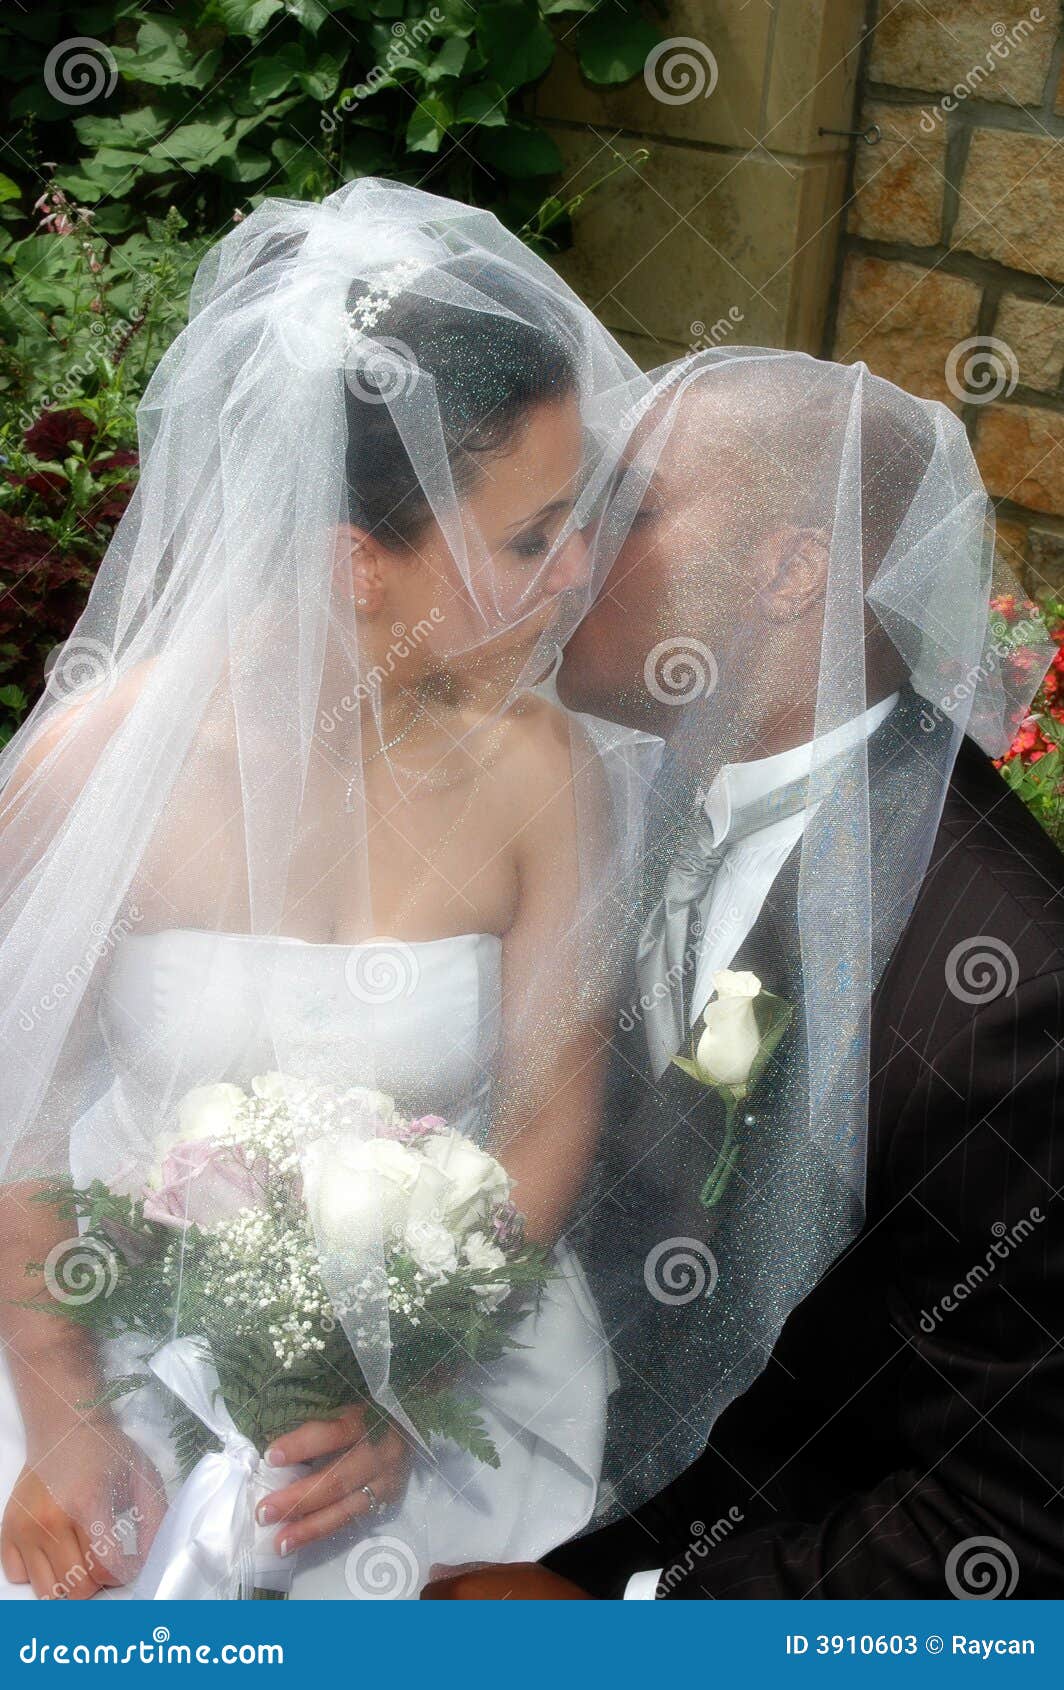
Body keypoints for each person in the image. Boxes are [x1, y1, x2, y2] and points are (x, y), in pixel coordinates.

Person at [0, 179, 650, 1600]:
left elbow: (549, 1115)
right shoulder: (98, 765)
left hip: (454, 1355)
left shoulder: (544, 774)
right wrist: (60, 1414)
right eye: (535, 536)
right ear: (358, 562)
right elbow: (20, 1109)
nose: (583, 567)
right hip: (99, 1324)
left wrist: (406, 1382)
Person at [423, 349, 1064, 1602]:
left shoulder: (1004, 997)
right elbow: (680, 1130)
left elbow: (1012, 1522)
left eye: (622, 513)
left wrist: (626, 1625)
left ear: (785, 571)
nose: (561, 564)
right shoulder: (649, 794)